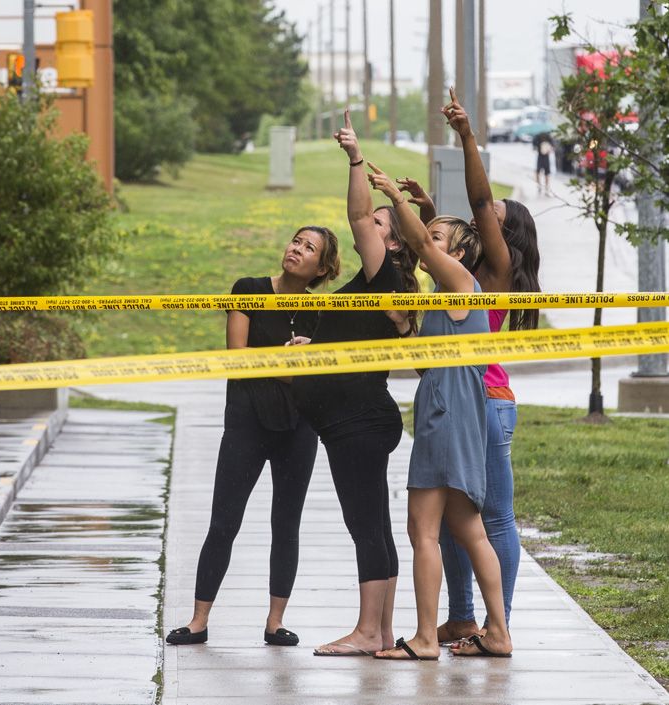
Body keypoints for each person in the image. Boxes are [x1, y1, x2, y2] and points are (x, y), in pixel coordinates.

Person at [367, 152, 514, 660]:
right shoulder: (447, 297)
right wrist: (404, 330)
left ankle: (426, 638)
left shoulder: (462, 284)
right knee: (468, 529)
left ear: (459, 253)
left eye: (437, 238)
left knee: (423, 530)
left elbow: (422, 245)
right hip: (451, 407)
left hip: (449, 413)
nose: (424, 243)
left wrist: (393, 197)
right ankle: (497, 633)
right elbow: (428, 367)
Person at [166, 226, 341, 647]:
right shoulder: (249, 289)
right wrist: (289, 364)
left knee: (287, 524)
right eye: (296, 241)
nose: (296, 249)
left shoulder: (321, 313)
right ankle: (198, 621)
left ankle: (275, 622)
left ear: (321, 268)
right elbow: (237, 357)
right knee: (224, 522)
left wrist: (292, 366)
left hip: (298, 429)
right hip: (247, 423)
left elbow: (321, 377)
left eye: (309, 248)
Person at [292, 110, 420, 657]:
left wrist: (355, 158)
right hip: (358, 418)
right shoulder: (378, 284)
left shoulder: (382, 274)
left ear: (393, 245)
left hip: (358, 421)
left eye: (382, 227)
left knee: (365, 524)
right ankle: (381, 631)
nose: (372, 227)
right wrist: (315, 346)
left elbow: (358, 215)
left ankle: (368, 632)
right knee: (373, 524)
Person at [436, 90, 541, 646]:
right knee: (452, 517)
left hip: (488, 403)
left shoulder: (497, 272)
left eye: (494, 215)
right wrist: (423, 211)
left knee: (495, 516)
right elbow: (444, 245)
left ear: (507, 235)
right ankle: (462, 617)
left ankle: (500, 626)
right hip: (458, 402)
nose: (484, 214)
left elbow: (477, 199)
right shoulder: (469, 276)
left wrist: (467, 137)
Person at [533, 131, 554, 196]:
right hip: (540, 156)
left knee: (546, 173)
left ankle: (546, 187)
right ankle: (540, 185)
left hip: (545, 157)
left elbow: (552, 146)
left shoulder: (548, 137)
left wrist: (549, 148)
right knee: (538, 171)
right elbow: (534, 145)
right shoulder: (538, 137)